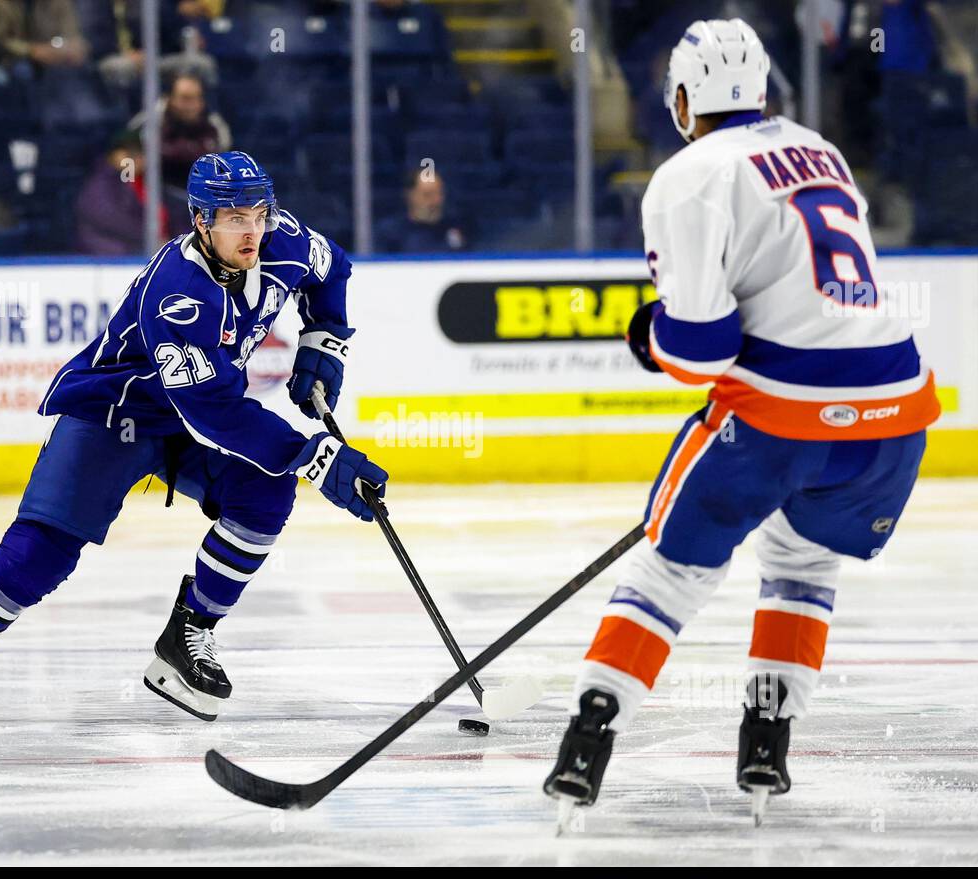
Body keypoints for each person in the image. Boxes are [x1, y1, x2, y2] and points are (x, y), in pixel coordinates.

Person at [543, 19, 940, 824]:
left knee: (672, 574)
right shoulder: (819, 149)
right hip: (894, 414)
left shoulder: (688, 176)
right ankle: (767, 743)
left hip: (780, 417)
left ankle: (590, 737)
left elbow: (701, 350)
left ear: (684, 99)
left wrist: (647, 334)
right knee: (802, 565)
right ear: (762, 91)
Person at [0, 150, 388, 723]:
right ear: (202, 221)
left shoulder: (284, 238)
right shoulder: (177, 294)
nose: (252, 230)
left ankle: (188, 637)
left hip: (186, 420)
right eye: (234, 217)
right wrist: (313, 454)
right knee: (40, 554)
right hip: (112, 415)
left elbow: (333, 269)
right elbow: (215, 413)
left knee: (266, 492)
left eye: (258, 213)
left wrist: (325, 341)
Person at [74, 128, 171, 256]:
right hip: (106, 257)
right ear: (115, 154)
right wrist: (153, 238)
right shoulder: (100, 183)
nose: (137, 160)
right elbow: (111, 219)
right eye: (131, 154)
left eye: (142, 154)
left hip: (141, 252)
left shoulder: (145, 181)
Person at [375, 168, 468, 254]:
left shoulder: (454, 228)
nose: (435, 201)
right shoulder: (391, 233)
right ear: (410, 196)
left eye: (439, 194)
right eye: (427, 195)